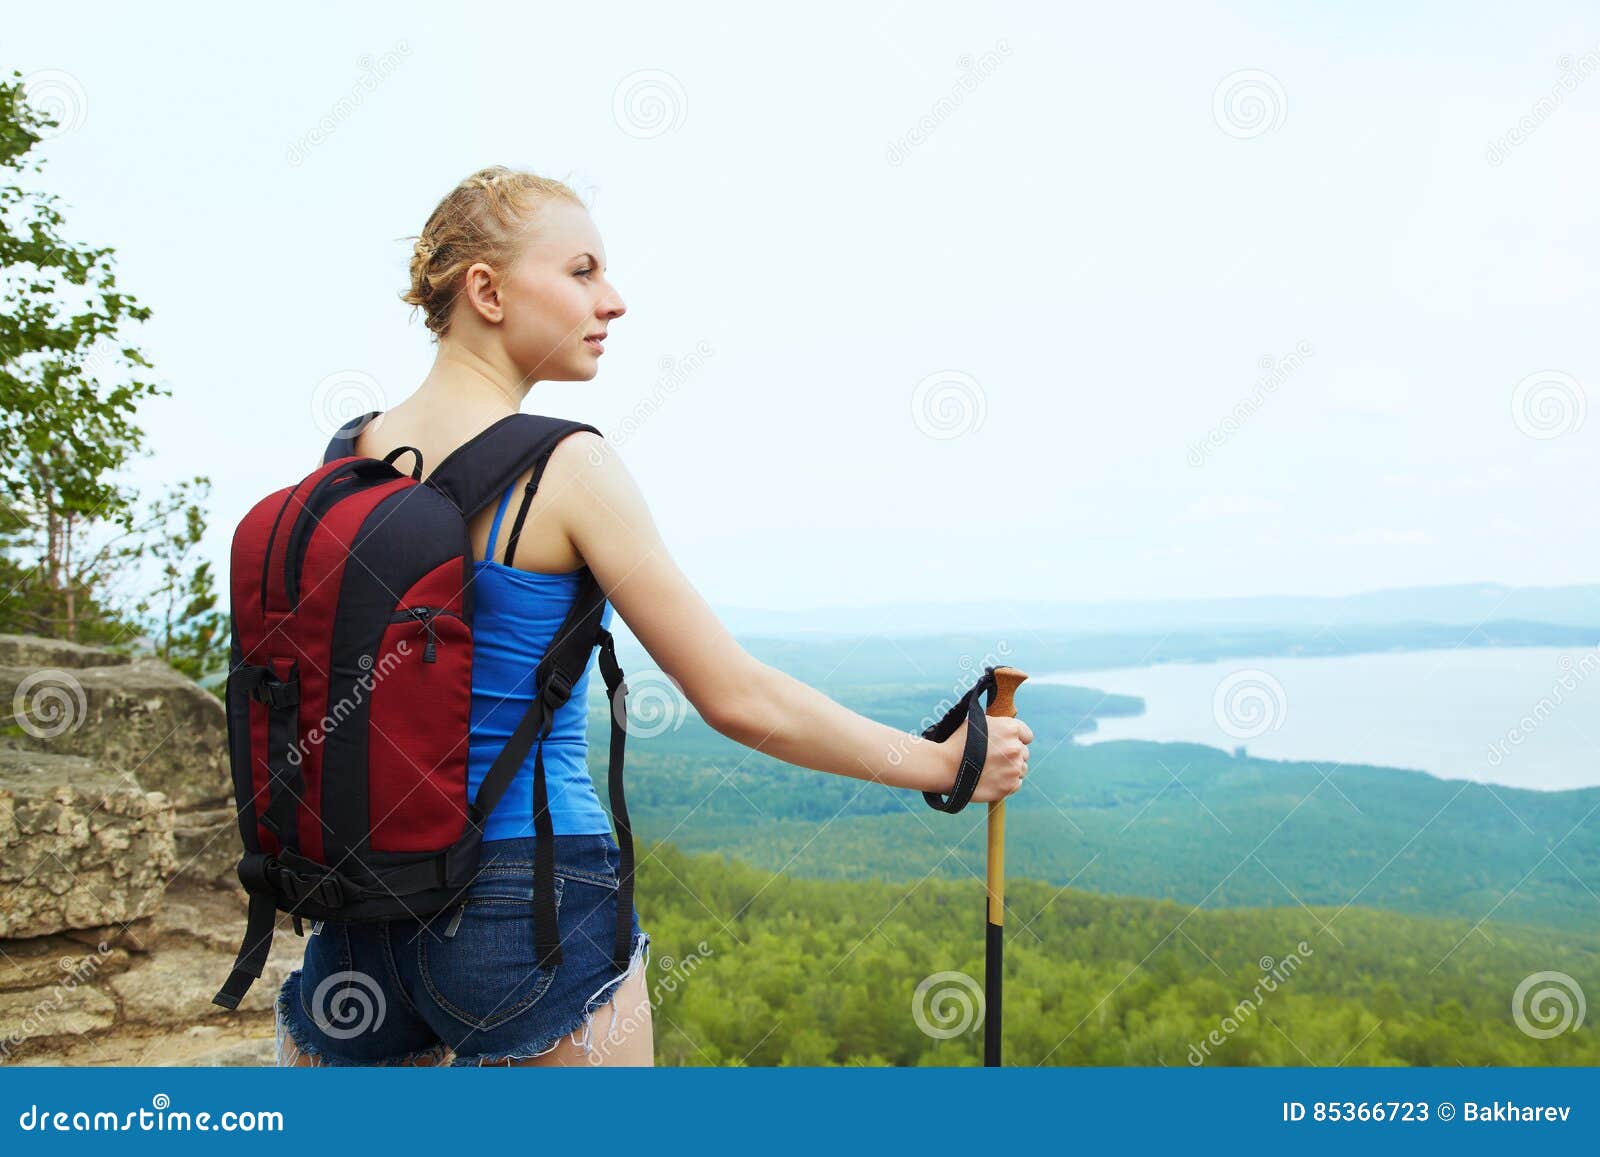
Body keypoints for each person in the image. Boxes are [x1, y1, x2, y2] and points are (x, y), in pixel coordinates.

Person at [273, 165, 1033, 1067]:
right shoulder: (566, 469)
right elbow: (736, 696)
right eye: (582, 271)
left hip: (357, 908)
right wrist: (945, 764)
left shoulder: (345, 461)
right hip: (527, 903)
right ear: (487, 291)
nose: (615, 300)